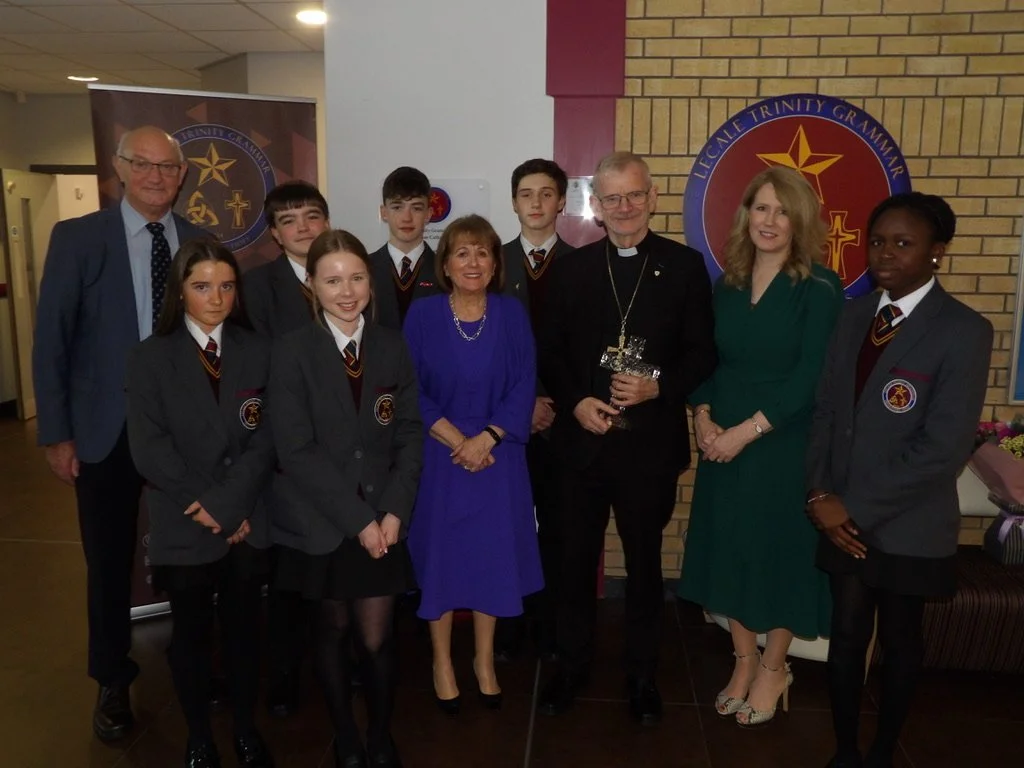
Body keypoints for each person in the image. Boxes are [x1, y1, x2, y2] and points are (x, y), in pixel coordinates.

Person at [806, 193, 992, 768]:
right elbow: (827, 413)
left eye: (903, 243)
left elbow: (943, 447)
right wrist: (818, 495)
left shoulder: (964, 330)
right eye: (879, 241)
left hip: (908, 523)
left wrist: (851, 507)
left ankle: (884, 751)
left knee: (901, 643)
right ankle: (844, 751)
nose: (886, 253)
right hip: (840, 518)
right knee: (846, 639)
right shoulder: (854, 315)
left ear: (937, 253)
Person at [32, 125, 205, 741]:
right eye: (143, 164)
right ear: (119, 168)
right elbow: (52, 340)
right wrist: (57, 432)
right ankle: (111, 678)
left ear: (182, 175)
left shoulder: (199, 243)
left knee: (190, 555)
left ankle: (195, 664)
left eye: (167, 167)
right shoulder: (78, 238)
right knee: (107, 561)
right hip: (105, 432)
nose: (157, 176)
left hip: (185, 435)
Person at [536, 151, 716, 724]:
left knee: (643, 566)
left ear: (652, 196)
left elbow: (702, 353)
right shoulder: (571, 270)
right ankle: (571, 666)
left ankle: (642, 676)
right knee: (573, 562)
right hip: (582, 442)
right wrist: (576, 402)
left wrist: (657, 386)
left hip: (647, 447)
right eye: (611, 198)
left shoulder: (685, 267)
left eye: (634, 195)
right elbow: (553, 353)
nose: (624, 207)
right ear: (596, 205)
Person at [677, 167, 843, 727]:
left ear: (800, 220)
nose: (769, 221)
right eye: (760, 208)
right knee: (730, 549)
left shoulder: (820, 287)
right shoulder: (726, 285)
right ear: (745, 215)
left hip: (780, 441)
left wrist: (745, 432)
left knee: (778, 554)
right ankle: (743, 659)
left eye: (781, 210)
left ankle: (776, 667)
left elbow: (811, 376)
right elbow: (706, 360)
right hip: (721, 437)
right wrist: (701, 416)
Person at [269, 230, 422, 768]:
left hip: (386, 519)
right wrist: (360, 521)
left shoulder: (390, 345)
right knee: (331, 635)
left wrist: (396, 511)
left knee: (377, 641)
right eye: (332, 280)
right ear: (312, 286)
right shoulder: (291, 352)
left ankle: (380, 735)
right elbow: (295, 448)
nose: (347, 290)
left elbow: (408, 434)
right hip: (324, 522)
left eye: (357, 277)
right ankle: (346, 739)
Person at [125, 238, 274, 768]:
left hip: (246, 519)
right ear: (179, 292)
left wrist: (232, 507)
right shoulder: (149, 358)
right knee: (189, 636)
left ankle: (244, 727)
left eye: (227, 286)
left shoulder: (259, 349)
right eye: (202, 286)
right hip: (184, 521)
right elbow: (150, 451)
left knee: (243, 632)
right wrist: (209, 505)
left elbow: (267, 439)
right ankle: (198, 737)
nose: (216, 298)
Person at [402, 214, 543, 715]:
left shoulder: (510, 313)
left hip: (498, 458)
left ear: (495, 262)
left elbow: (525, 382)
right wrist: (458, 440)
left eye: (482, 252)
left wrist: (487, 438)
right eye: (461, 252)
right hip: (441, 459)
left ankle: (485, 661)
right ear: (444, 263)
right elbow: (408, 389)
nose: (473, 261)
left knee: (490, 561)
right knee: (441, 560)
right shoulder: (420, 316)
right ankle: (441, 662)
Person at [244, 179, 332, 717]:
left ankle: (339, 668)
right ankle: (283, 675)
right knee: (286, 576)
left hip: (346, 451)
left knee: (336, 572)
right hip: (284, 452)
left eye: (312, 216)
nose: (303, 228)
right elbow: (254, 372)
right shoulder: (255, 287)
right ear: (275, 235)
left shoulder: (349, 272)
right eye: (290, 220)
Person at [495, 158, 575, 662]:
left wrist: (552, 405)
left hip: (563, 425)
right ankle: (507, 629)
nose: (537, 204)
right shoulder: (491, 262)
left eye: (547, 194)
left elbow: (587, 352)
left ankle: (551, 629)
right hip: (505, 423)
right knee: (505, 528)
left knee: (560, 532)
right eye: (527, 194)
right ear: (514, 202)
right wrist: (521, 407)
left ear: (562, 202)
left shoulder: (587, 263)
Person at [369, 166, 441, 329]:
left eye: (416, 208)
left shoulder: (445, 270)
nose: (407, 218)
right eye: (397, 207)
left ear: (429, 214)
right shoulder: (364, 268)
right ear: (383, 213)